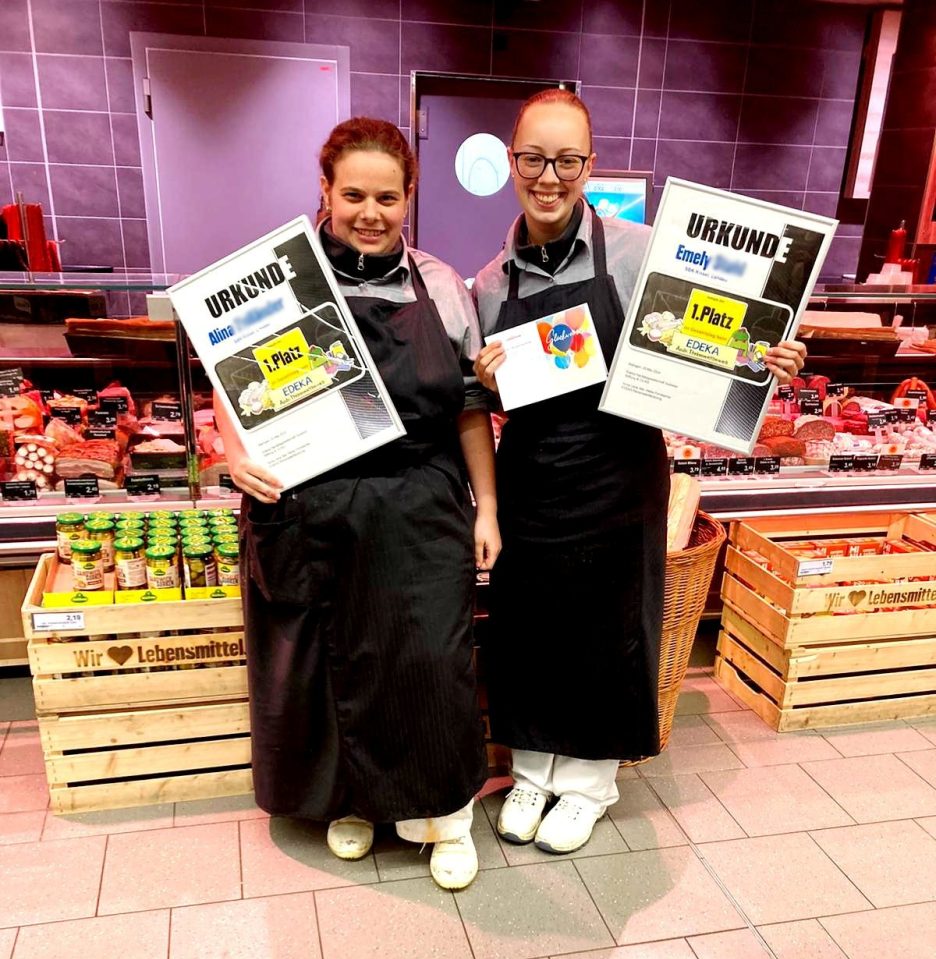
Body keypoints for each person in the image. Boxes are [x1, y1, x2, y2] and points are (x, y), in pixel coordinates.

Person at [472, 90, 806, 854]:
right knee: (529, 626)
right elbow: (476, 396)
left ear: (589, 165)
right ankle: (532, 769)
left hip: (621, 469)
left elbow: (714, 333)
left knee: (609, 625)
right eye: (533, 158)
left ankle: (589, 781)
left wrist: (770, 353)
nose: (548, 176)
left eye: (566, 160)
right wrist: (487, 384)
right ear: (512, 161)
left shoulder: (644, 248)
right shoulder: (489, 282)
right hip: (533, 472)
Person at [215, 117, 500, 891]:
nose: (369, 212)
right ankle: (355, 805)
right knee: (334, 660)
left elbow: (471, 403)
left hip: (422, 500)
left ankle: (447, 816)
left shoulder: (441, 284)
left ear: (409, 197)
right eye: (353, 195)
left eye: (387, 197)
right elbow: (230, 377)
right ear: (325, 192)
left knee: (431, 662)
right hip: (312, 504)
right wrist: (235, 453)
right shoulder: (281, 279)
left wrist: (488, 507)